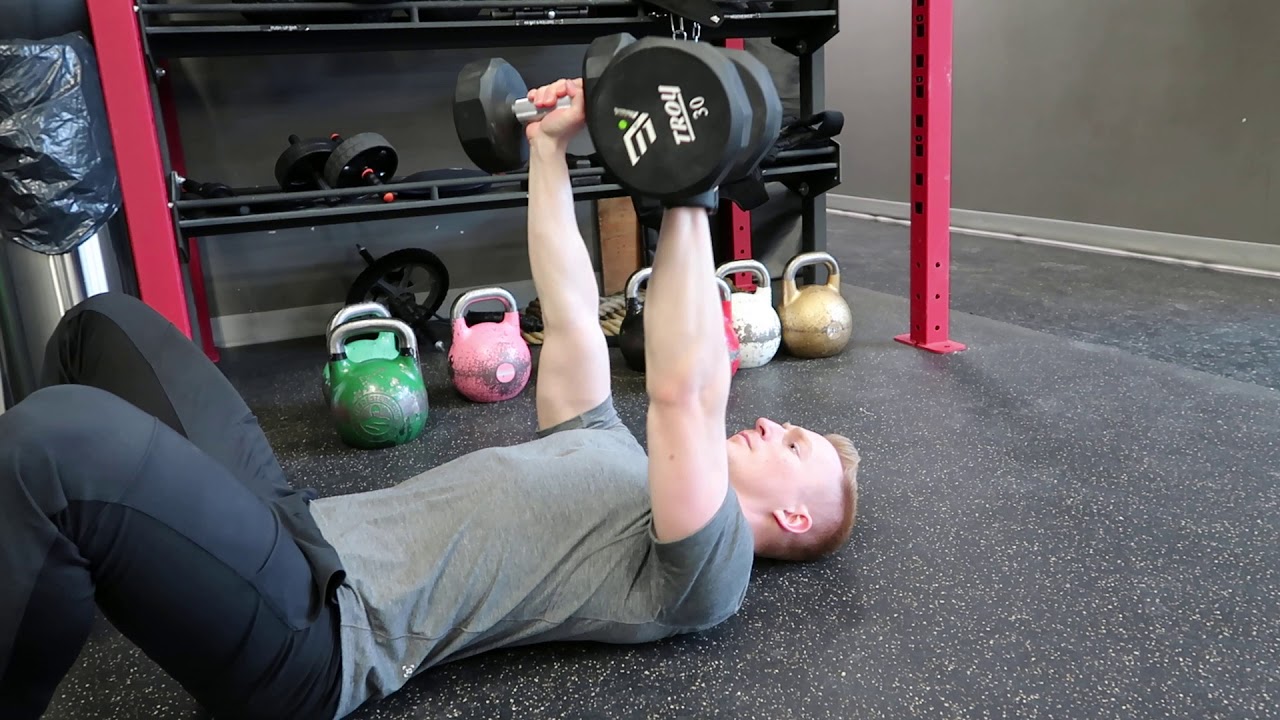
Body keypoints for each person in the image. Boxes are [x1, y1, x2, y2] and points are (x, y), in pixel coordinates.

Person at [0, 77, 860, 720]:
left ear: (791, 520)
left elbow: (686, 392)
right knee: (101, 327)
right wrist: (549, 150)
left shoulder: (707, 574)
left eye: (796, 449)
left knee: (56, 449)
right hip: (293, 527)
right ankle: (67, 575)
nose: (775, 423)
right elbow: (567, 308)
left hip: (318, 637)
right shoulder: (606, 444)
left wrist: (687, 192)